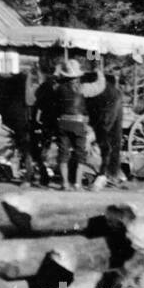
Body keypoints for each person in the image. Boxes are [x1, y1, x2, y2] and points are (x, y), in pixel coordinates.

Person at [52, 57, 106, 191]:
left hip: (63, 123)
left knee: (63, 153)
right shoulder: (83, 88)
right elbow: (100, 87)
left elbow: (53, 83)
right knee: (80, 153)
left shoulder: (58, 88)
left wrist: (56, 73)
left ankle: (64, 184)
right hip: (78, 123)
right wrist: (99, 72)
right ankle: (77, 184)